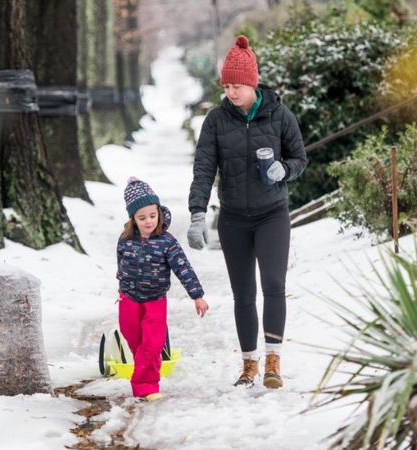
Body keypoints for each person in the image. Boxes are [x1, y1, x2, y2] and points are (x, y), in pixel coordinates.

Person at [187, 35, 307, 389]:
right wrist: (196, 213)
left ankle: (273, 360)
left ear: (253, 84)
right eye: (226, 86)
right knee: (243, 294)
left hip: (272, 214)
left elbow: (299, 158)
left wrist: (284, 171)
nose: (231, 93)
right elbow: (204, 169)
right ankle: (248, 364)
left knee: (273, 284)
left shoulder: (281, 116)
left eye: (236, 85)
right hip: (234, 218)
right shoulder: (216, 121)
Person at [117, 177, 209, 401]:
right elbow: (120, 263)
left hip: (155, 300)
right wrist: (121, 285)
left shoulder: (167, 242)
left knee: (151, 343)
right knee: (133, 337)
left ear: (158, 212)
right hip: (128, 298)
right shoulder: (125, 239)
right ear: (133, 218)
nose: (148, 221)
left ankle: (146, 387)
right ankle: (148, 365)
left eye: (152, 215)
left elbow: (183, 268)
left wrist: (197, 295)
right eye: (142, 217)